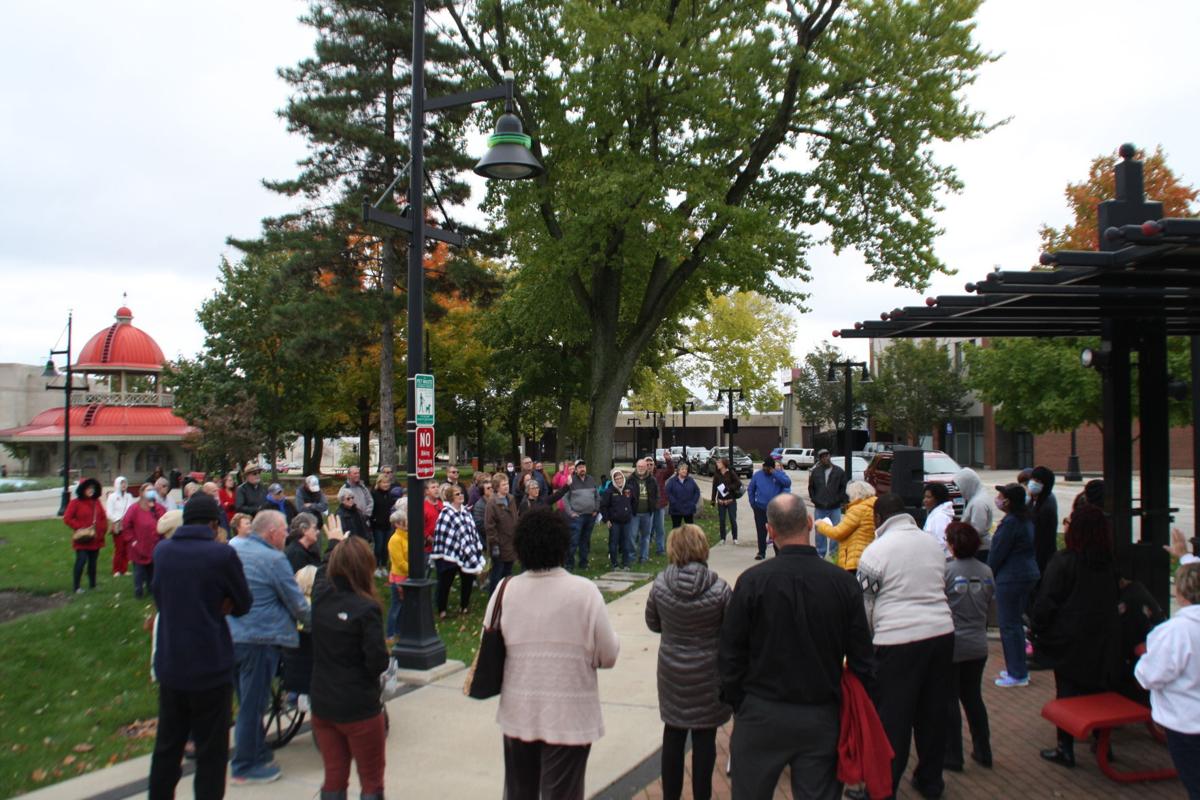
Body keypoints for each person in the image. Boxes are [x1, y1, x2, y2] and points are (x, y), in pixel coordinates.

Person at [719, 493, 874, 799]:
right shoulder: (842, 584)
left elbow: (729, 653)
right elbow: (862, 658)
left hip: (762, 711)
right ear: (808, 523)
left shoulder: (752, 582)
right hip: (820, 712)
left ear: (770, 531)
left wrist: (738, 702)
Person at [490, 506, 620, 799]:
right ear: (563, 544)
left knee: (519, 791)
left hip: (518, 711)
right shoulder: (584, 592)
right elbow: (608, 655)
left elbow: (492, 642)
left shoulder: (504, 590)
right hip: (569, 715)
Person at [147, 493, 252, 800]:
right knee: (211, 752)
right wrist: (222, 605)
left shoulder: (163, 552)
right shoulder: (220, 555)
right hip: (210, 665)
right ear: (212, 523)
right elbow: (244, 602)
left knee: (167, 746)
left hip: (172, 663)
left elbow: (161, 598)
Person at [856, 492, 956, 799]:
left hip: (896, 640)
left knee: (892, 720)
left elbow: (866, 607)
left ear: (878, 519)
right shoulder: (931, 544)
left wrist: (870, 642)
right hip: (941, 634)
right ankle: (930, 780)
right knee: (932, 713)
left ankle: (882, 788)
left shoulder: (875, 552)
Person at [645, 524, 731, 800]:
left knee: (673, 732)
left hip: (672, 669)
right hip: (708, 670)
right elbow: (730, 629)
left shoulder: (660, 584)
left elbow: (653, 622)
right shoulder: (719, 589)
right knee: (705, 737)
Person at [1031, 504, 1121, 767]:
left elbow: (1046, 601)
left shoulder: (1064, 561)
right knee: (1099, 688)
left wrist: (1038, 626)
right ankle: (1103, 742)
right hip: (1103, 637)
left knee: (1068, 691)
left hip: (1068, 640)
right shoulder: (1109, 564)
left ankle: (1065, 747)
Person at [227, 510, 311, 785]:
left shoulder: (234, 548)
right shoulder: (275, 559)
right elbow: (296, 602)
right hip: (260, 638)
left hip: (231, 634)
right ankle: (244, 765)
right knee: (254, 703)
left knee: (245, 698)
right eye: (285, 529)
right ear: (272, 532)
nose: (288, 534)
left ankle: (257, 750)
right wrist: (315, 621)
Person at [310, 536, 390, 800]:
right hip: (359, 707)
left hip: (323, 704)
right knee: (371, 780)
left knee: (333, 776)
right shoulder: (366, 609)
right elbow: (377, 661)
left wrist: (332, 544)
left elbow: (322, 574)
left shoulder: (321, 597)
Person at [1135, 560, 1200, 799]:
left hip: (1187, 725)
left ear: (1181, 593)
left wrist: (1143, 660)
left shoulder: (1175, 631)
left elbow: (1150, 676)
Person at [943, 521, 994, 771]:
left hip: (953, 642)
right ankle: (983, 750)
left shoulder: (947, 571)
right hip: (978, 643)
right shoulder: (986, 571)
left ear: (952, 545)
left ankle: (953, 756)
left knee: (949, 699)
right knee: (973, 698)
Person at [988, 482, 1039, 688]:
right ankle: (1017, 668)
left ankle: (1017, 673)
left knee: (1008, 625)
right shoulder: (1025, 520)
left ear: (1009, 501)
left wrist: (988, 573)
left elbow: (997, 553)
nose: (999, 500)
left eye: (1002, 496)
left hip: (1011, 578)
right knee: (1015, 624)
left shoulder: (1010, 523)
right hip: (1025, 575)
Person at [431, 484, 485, 617]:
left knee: (467, 579)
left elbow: (471, 531)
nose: (461, 496)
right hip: (450, 554)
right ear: (450, 498)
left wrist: (474, 547)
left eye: (461, 493)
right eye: (457, 494)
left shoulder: (466, 512)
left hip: (466, 552)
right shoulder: (446, 513)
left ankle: (464, 606)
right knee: (445, 582)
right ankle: (442, 610)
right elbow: (443, 534)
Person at [814, 480, 876, 573]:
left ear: (855, 494)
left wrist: (820, 524)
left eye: (850, 495)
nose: (849, 498)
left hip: (853, 559)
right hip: (866, 556)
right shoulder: (872, 507)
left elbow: (838, 533)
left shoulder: (857, 510)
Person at [65, 477, 108, 594]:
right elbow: (67, 518)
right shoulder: (75, 503)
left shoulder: (96, 502)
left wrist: (102, 530)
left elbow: (103, 517)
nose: (91, 490)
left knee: (93, 563)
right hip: (82, 539)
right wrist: (80, 526)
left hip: (95, 538)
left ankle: (93, 584)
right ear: (82, 489)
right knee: (81, 560)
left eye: (92, 488)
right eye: (88, 488)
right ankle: (76, 586)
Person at [124, 483, 165, 598]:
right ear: (142, 492)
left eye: (152, 490)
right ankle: (138, 590)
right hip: (139, 544)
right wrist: (132, 541)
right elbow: (126, 525)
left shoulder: (158, 508)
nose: (151, 492)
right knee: (139, 569)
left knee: (152, 569)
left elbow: (164, 521)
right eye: (148, 490)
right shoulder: (134, 508)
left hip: (155, 544)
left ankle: (151, 589)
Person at [748, 457, 792, 561]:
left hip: (775, 509)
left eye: (768, 468)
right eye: (765, 467)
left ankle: (778, 553)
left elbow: (787, 483)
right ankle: (761, 552)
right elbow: (751, 488)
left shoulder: (778, 474)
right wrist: (752, 502)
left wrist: (775, 473)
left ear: (772, 468)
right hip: (760, 508)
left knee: (776, 531)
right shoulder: (758, 475)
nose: (766, 470)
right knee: (761, 531)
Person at [808, 448, 848, 559]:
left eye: (826, 455)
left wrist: (839, 500)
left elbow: (843, 488)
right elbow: (811, 487)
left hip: (834, 507)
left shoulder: (839, 471)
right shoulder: (815, 472)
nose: (825, 458)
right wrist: (814, 499)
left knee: (835, 531)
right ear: (819, 459)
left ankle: (833, 554)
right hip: (820, 506)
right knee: (820, 532)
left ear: (829, 456)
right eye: (822, 456)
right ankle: (820, 553)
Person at [560, 460, 600, 571]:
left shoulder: (591, 479)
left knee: (585, 541)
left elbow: (597, 496)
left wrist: (596, 509)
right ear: (576, 470)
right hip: (577, 517)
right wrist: (570, 512)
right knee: (573, 541)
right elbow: (565, 498)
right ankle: (569, 564)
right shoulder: (571, 481)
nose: (582, 469)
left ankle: (584, 563)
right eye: (579, 467)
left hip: (590, 516)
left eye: (583, 466)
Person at [485, 473, 518, 594]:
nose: (506, 486)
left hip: (511, 542)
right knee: (497, 573)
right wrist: (494, 545)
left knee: (508, 573)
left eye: (507, 484)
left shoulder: (511, 499)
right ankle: (493, 598)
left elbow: (515, 518)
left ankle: (505, 596)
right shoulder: (492, 503)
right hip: (499, 544)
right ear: (497, 487)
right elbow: (490, 526)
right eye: (503, 484)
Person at [953, 467, 993, 562]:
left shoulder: (978, 503)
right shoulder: (977, 498)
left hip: (979, 549)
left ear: (968, 485)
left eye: (961, 487)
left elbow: (977, 529)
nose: (960, 490)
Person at [600, 468, 635, 570]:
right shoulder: (609, 491)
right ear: (613, 480)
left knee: (626, 543)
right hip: (614, 522)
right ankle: (614, 564)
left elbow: (633, 501)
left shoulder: (629, 489)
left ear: (623, 478)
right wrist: (607, 520)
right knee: (613, 543)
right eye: (616, 478)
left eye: (620, 477)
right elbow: (603, 506)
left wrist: (629, 512)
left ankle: (626, 564)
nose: (619, 480)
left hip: (627, 521)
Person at [386, 504, 410, 641]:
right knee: (396, 606)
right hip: (399, 578)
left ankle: (400, 631)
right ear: (397, 524)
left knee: (403, 606)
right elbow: (400, 562)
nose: (406, 524)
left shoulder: (406, 537)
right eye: (403, 521)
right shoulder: (395, 540)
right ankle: (390, 633)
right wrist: (414, 569)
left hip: (406, 576)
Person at [1029, 465, 1059, 575]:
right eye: (1032, 479)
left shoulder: (1046, 506)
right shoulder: (1038, 499)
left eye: (1037, 481)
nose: (1032, 483)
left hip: (1041, 557)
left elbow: (1039, 537)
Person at [629, 458, 659, 562]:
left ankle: (644, 557)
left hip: (647, 513)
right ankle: (632, 557)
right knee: (632, 536)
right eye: (639, 467)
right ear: (636, 467)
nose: (641, 468)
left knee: (645, 536)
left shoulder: (652, 480)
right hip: (634, 513)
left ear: (646, 468)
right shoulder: (631, 479)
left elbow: (656, 494)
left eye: (643, 467)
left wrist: (653, 506)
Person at [105, 476, 134, 578]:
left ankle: (124, 569)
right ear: (117, 484)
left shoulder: (129, 496)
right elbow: (109, 512)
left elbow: (132, 509)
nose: (124, 485)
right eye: (121, 483)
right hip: (117, 524)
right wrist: (118, 519)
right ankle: (116, 569)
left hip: (128, 525)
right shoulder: (112, 497)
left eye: (125, 483)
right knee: (119, 548)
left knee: (127, 548)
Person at [710, 457, 741, 545]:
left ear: (724, 463)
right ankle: (722, 538)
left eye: (719, 462)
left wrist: (729, 488)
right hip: (721, 501)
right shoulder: (717, 475)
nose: (717, 464)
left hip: (731, 500)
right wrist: (712, 500)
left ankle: (735, 538)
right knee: (722, 520)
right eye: (717, 463)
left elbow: (738, 483)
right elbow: (714, 488)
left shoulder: (730, 473)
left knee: (732, 519)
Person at [665, 461, 701, 529]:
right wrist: (674, 502)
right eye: (682, 469)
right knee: (676, 528)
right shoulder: (672, 481)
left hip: (688, 509)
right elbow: (668, 492)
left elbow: (697, 491)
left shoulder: (691, 480)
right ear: (678, 471)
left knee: (690, 528)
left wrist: (693, 502)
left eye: (686, 469)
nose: (684, 471)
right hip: (676, 510)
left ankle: (689, 539)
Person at [370, 475, 394, 575]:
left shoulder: (389, 495)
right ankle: (376, 567)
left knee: (386, 547)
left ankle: (383, 565)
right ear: (379, 483)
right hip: (377, 525)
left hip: (388, 524)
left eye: (387, 483)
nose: (386, 485)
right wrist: (373, 520)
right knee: (378, 547)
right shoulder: (374, 494)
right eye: (383, 483)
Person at [922, 482, 955, 556]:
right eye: (924, 497)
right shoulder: (935, 514)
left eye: (928, 497)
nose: (924, 500)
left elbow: (941, 542)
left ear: (938, 499)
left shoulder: (940, 516)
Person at [652, 453, 673, 556]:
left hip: (659, 505)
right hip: (646, 507)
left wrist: (668, 460)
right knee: (646, 530)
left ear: (654, 465)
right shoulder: (641, 475)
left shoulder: (660, 474)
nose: (649, 465)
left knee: (660, 528)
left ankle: (660, 549)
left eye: (651, 463)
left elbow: (670, 471)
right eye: (647, 463)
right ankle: (645, 549)